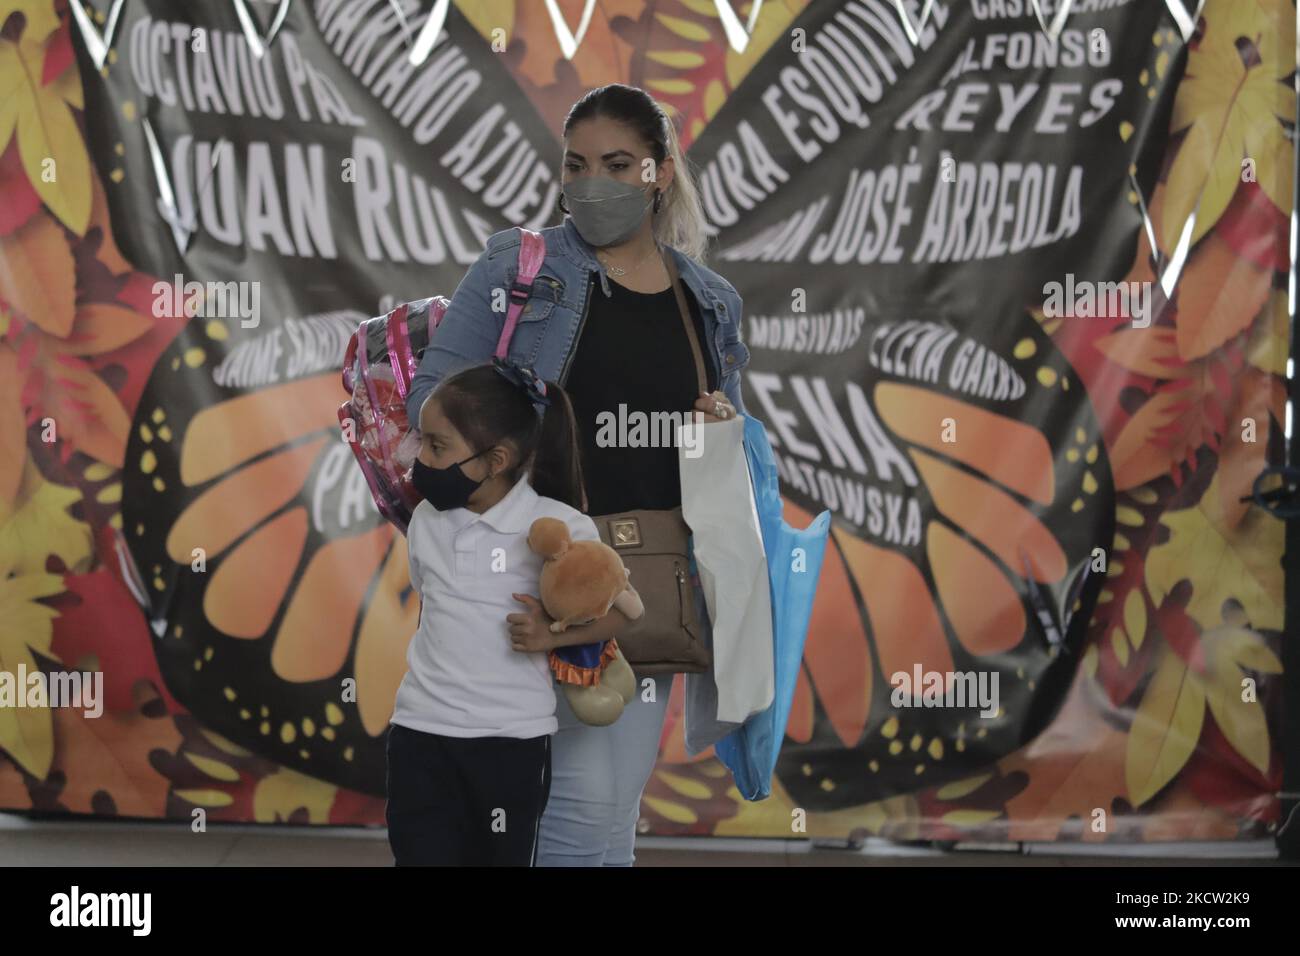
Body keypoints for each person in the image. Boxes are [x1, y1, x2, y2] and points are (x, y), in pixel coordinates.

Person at [404, 83, 751, 866]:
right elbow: (433, 399)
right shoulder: (520, 268)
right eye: (577, 165)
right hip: (520, 574)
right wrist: (515, 412)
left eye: (619, 164)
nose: (593, 184)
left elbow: (732, 446)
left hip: (645, 590)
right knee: (566, 818)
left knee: (604, 818)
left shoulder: (710, 302)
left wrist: (724, 431)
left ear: (659, 173)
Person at [386, 360, 626, 866]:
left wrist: (550, 636)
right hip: (419, 734)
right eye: (421, 442)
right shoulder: (427, 519)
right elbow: (433, 603)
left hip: (511, 743)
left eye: (437, 446)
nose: (420, 459)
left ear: (496, 459)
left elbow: (626, 612)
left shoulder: (561, 526)